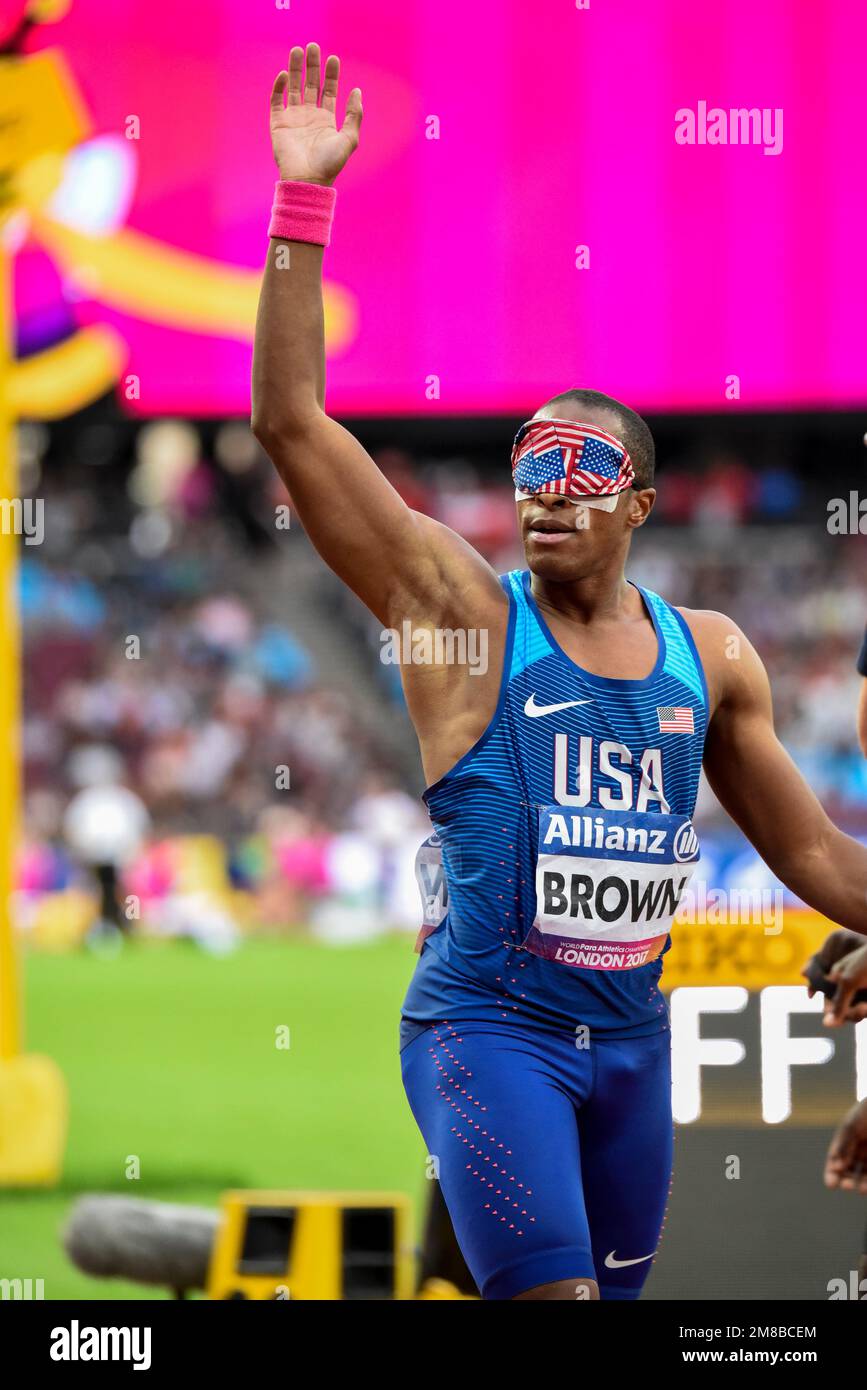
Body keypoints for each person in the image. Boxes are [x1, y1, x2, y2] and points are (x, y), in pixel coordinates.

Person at [251, 43, 867, 1300]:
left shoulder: (715, 657)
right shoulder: (461, 616)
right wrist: (303, 203)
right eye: (533, 465)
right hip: (489, 1034)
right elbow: (293, 425)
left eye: (584, 469)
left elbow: (822, 864)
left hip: (635, 1047)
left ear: (639, 499)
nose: (550, 492)